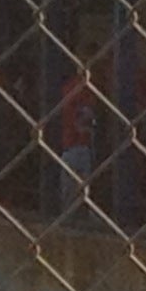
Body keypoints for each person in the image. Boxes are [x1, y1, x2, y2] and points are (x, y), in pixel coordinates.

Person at [57, 66, 96, 216]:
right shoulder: (80, 90)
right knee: (74, 190)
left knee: (73, 192)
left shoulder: (77, 90)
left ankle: (78, 215)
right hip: (75, 146)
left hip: (76, 146)